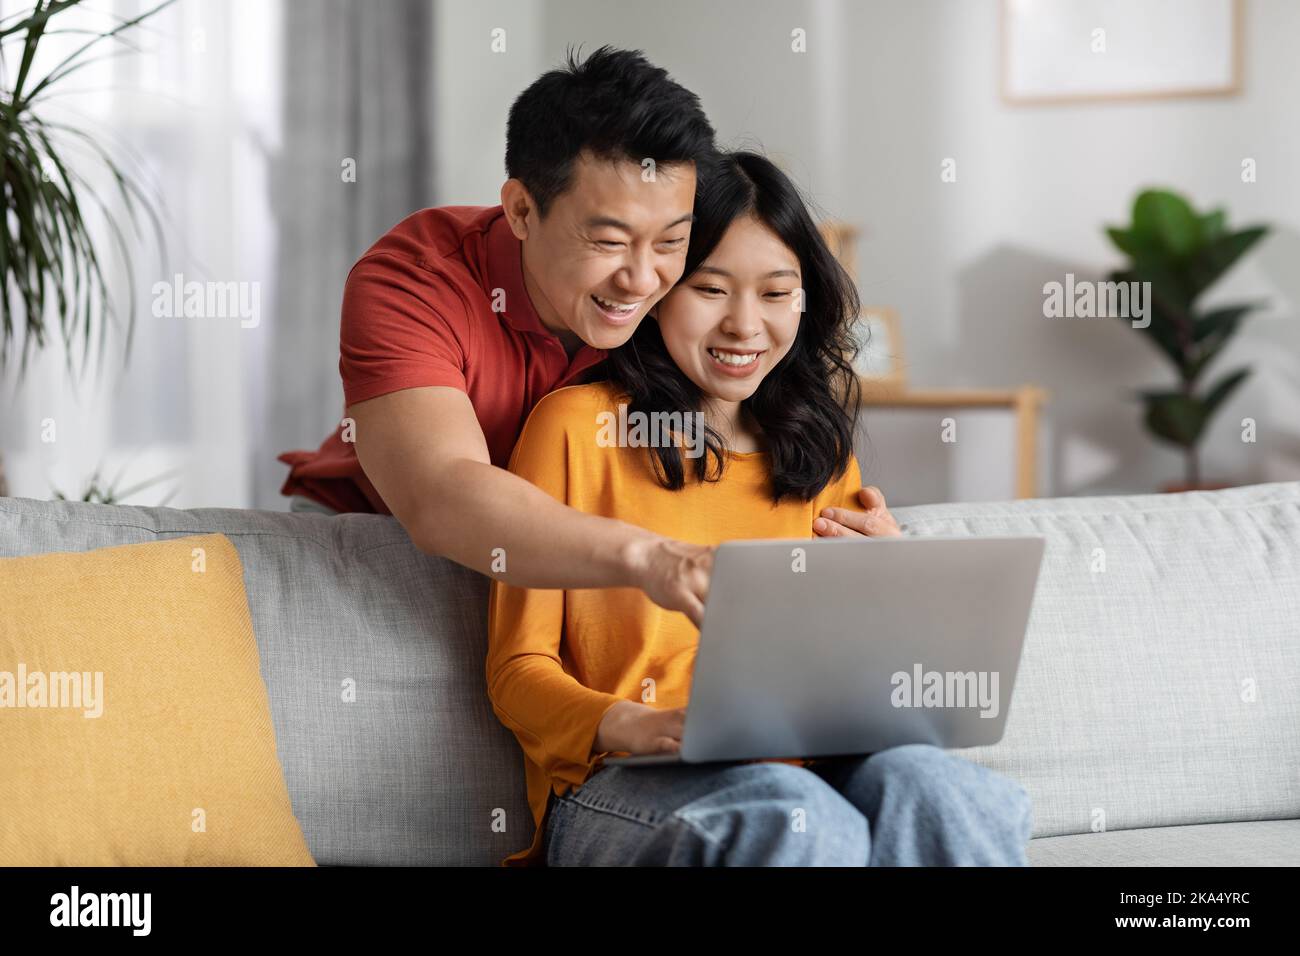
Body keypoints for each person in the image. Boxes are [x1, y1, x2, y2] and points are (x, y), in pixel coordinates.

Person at [486, 151, 1032, 866]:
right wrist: (634, 723)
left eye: (776, 294)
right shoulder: (572, 429)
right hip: (621, 783)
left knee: (940, 787)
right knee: (794, 816)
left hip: (806, 763)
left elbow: (852, 684)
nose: (746, 326)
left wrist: (895, 595)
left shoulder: (816, 450)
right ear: (658, 292)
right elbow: (516, 670)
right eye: (711, 290)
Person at [277, 47, 901, 628]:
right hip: (385, 535)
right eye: (608, 241)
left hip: (580, 559)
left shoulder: (675, 308)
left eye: (670, 241)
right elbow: (440, 495)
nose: (640, 279)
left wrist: (875, 563)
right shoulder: (414, 279)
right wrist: (651, 559)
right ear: (522, 210)